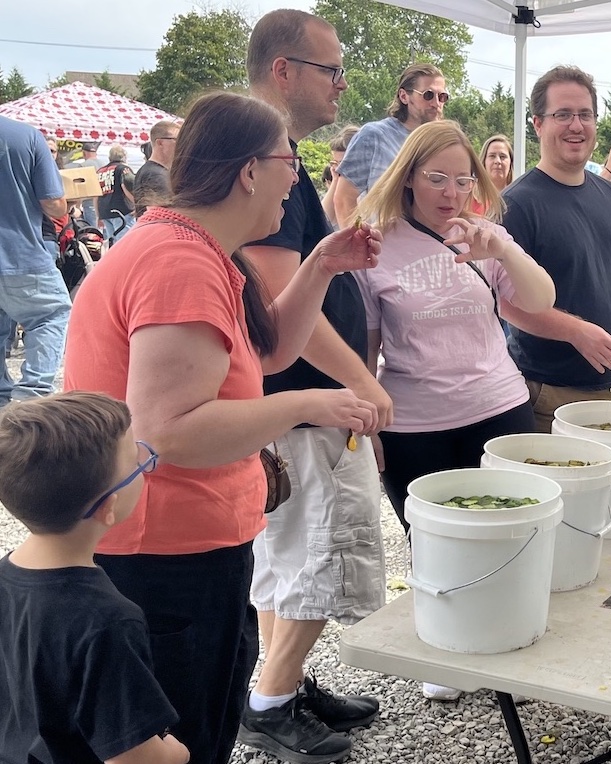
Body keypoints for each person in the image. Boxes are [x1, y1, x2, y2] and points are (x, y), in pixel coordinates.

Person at [62, 89, 380, 764]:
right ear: (248, 172)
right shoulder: (178, 262)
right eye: (288, 160)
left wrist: (321, 263)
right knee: (187, 740)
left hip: (183, 541)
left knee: (203, 719)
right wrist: (306, 405)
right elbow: (170, 430)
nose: (297, 174)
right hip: (161, 553)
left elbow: (265, 354)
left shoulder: (195, 246)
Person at [242, 8, 392, 756]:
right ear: (283, 70)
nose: (340, 83)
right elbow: (279, 308)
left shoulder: (281, 157)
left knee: (288, 554)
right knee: (316, 555)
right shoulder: (267, 161)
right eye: (329, 69)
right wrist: (362, 381)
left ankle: (282, 683)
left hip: (297, 404)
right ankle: (271, 701)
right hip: (306, 403)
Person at [356, 119, 554, 540]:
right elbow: (366, 349)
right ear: (408, 176)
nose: (451, 193)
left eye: (463, 180)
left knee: (514, 541)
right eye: (437, 179)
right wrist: (365, 424)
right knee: (435, 552)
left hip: (499, 410)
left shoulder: (486, 236)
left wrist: (502, 251)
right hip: (412, 430)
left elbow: (541, 299)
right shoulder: (376, 247)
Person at [0, 392, 188, 764]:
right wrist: (175, 753)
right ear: (109, 507)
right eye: (137, 461)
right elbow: (131, 756)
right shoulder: (107, 620)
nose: (144, 460)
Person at [500, 66, 611, 432]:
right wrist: (575, 331)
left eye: (585, 115)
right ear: (537, 124)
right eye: (563, 115)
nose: (576, 125)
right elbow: (506, 302)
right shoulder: (516, 205)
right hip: (553, 396)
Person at [0, 115, 72, 406]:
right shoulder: (26, 136)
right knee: (51, 315)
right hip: (21, 253)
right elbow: (53, 204)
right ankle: (31, 400)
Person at [335, 62, 448, 224]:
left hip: (433, 245)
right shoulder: (375, 135)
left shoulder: (445, 144)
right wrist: (358, 244)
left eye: (442, 97)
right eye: (428, 95)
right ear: (404, 96)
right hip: (384, 243)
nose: (436, 103)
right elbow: (344, 199)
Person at [133, 120, 179, 217]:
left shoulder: (149, 171)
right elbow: (169, 212)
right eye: (176, 139)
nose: (180, 144)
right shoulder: (155, 175)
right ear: (160, 143)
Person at [96, 144, 136, 243]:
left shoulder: (100, 171)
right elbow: (125, 187)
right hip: (121, 211)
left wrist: (98, 215)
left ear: (109, 157)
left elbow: (96, 195)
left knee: (112, 243)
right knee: (125, 243)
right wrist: (137, 205)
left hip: (104, 211)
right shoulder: (123, 169)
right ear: (124, 156)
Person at [321, 124, 359, 228]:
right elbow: (324, 218)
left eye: (343, 163)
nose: (339, 169)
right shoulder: (338, 179)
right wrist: (335, 180)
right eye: (335, 163)